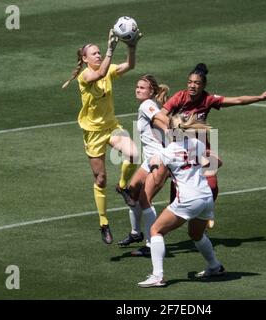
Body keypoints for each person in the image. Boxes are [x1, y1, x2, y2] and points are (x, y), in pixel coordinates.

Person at [160, 63, 266, 228]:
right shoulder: (179, 97)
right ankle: (174, 211)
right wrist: (171, 130)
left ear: (203, 85)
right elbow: (161, 115)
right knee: (179, 183)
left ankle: (206, 213)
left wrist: (260, 97)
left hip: (202, 147)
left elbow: (238, 100)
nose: (192, 85)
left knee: (211, 183)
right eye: (190, 82)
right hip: (181, 147)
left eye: (196, 83)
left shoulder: (208, 99)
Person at [62, 29, 142, 244]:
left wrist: (131, 47)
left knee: (134, 153)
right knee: (101, 178)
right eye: (94, 54)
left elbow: (129, 66)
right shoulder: (85, 76)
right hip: (93, 133)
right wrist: (110, 49)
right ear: (85, 59)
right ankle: (104, 222)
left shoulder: (108, 69)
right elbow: (99, 73)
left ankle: (123, 186)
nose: (98, 55)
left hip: (111, 126)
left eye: (99, 52)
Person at [137, 114, 224, 287]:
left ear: (169, 130)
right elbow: (217, 162)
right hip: (206, 197)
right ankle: (215, 266)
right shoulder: (197, 144)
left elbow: (158, 181)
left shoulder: (166, 152)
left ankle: (157, 276)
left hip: (188, 200)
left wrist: (155, 165)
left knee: (156, 230)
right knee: (196, 234)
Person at [117, 74, 170, 257]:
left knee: (144, 200)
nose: (138, 90)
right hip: (150, 159)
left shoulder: (146, 105)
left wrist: (170, 128)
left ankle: (150, 244)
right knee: (132, 191)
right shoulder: (149, 105)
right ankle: (135, 233)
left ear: (151, 91)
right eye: (137, 87)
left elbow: (160, 119)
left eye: (142, 88)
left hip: (159, 159)